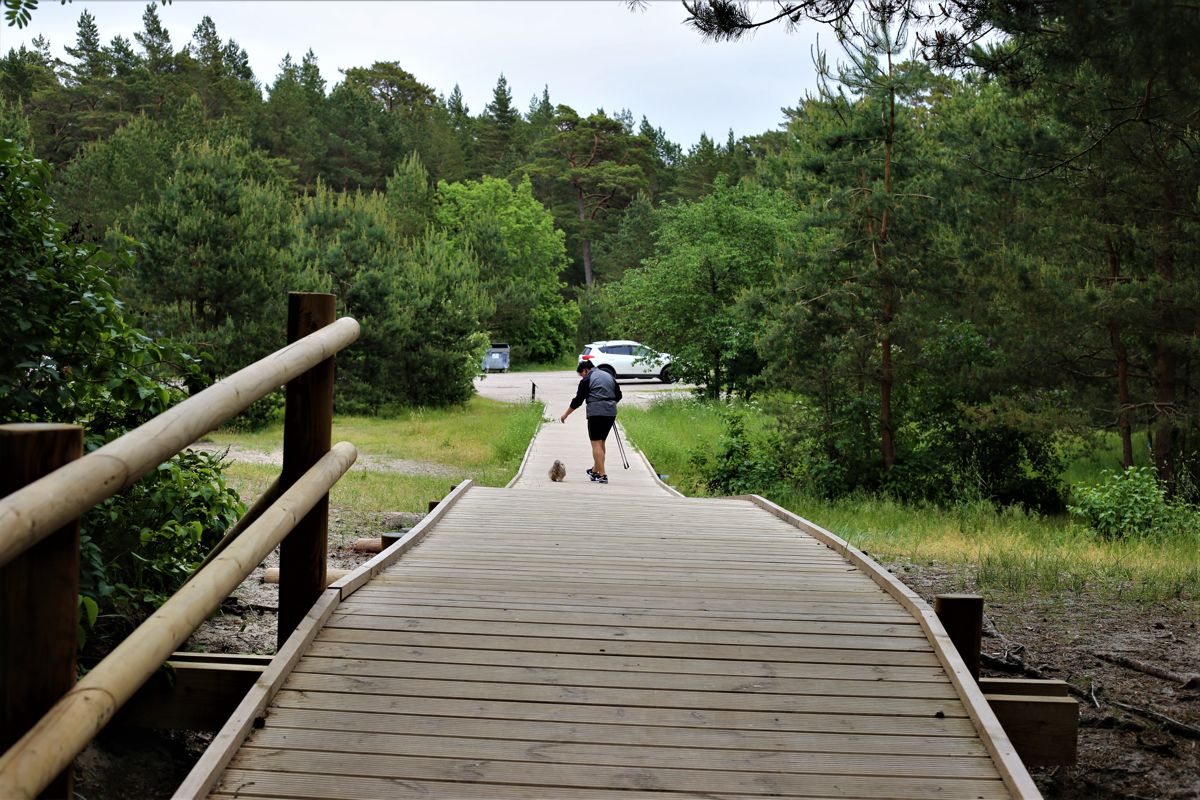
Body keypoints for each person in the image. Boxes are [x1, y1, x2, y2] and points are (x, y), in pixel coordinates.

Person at [560, 361, 622, 483]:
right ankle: (595, 470)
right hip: (610, 412)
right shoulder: (608, 375)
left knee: (596, 444)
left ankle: (603, 475)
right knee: (601, 442)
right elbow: (618, 395)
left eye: (581, 374)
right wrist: (607, 404)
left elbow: (578, 400)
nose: (582, 377)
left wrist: (565, 415)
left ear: (585, 370)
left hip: (596, 413)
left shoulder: (587, 379)